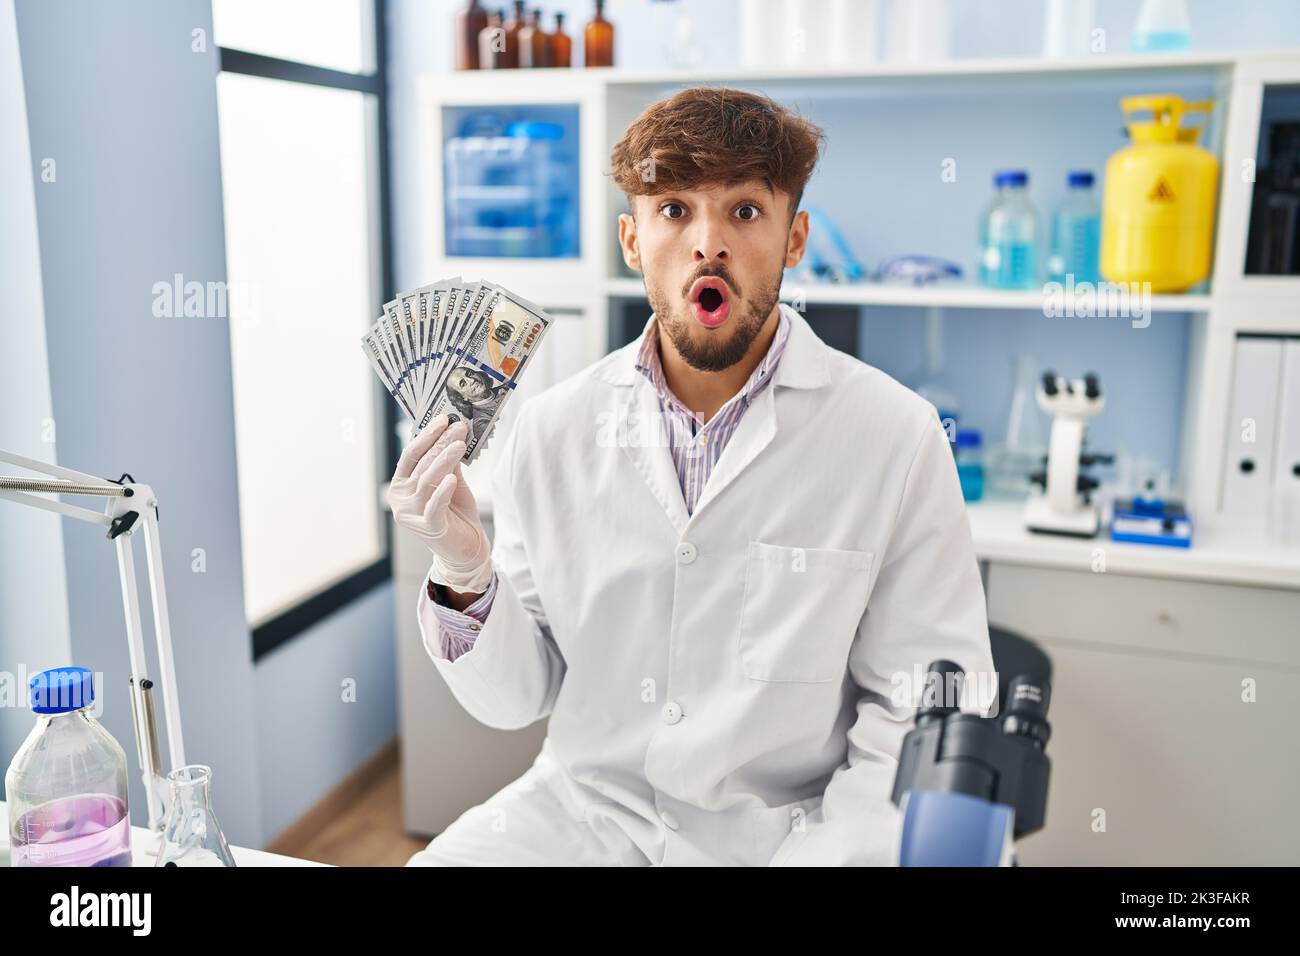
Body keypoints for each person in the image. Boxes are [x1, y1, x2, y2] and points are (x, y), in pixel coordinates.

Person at [388, 87, 995, 866]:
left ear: (794, 237)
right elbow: (516, 698)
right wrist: (465, 571)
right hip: (584, 817)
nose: (708, 243)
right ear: (632, 241)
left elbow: (916, 714)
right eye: (674, 210)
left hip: (786, 839)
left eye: (745, 211)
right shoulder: (552, 429)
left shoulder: (895, 436)